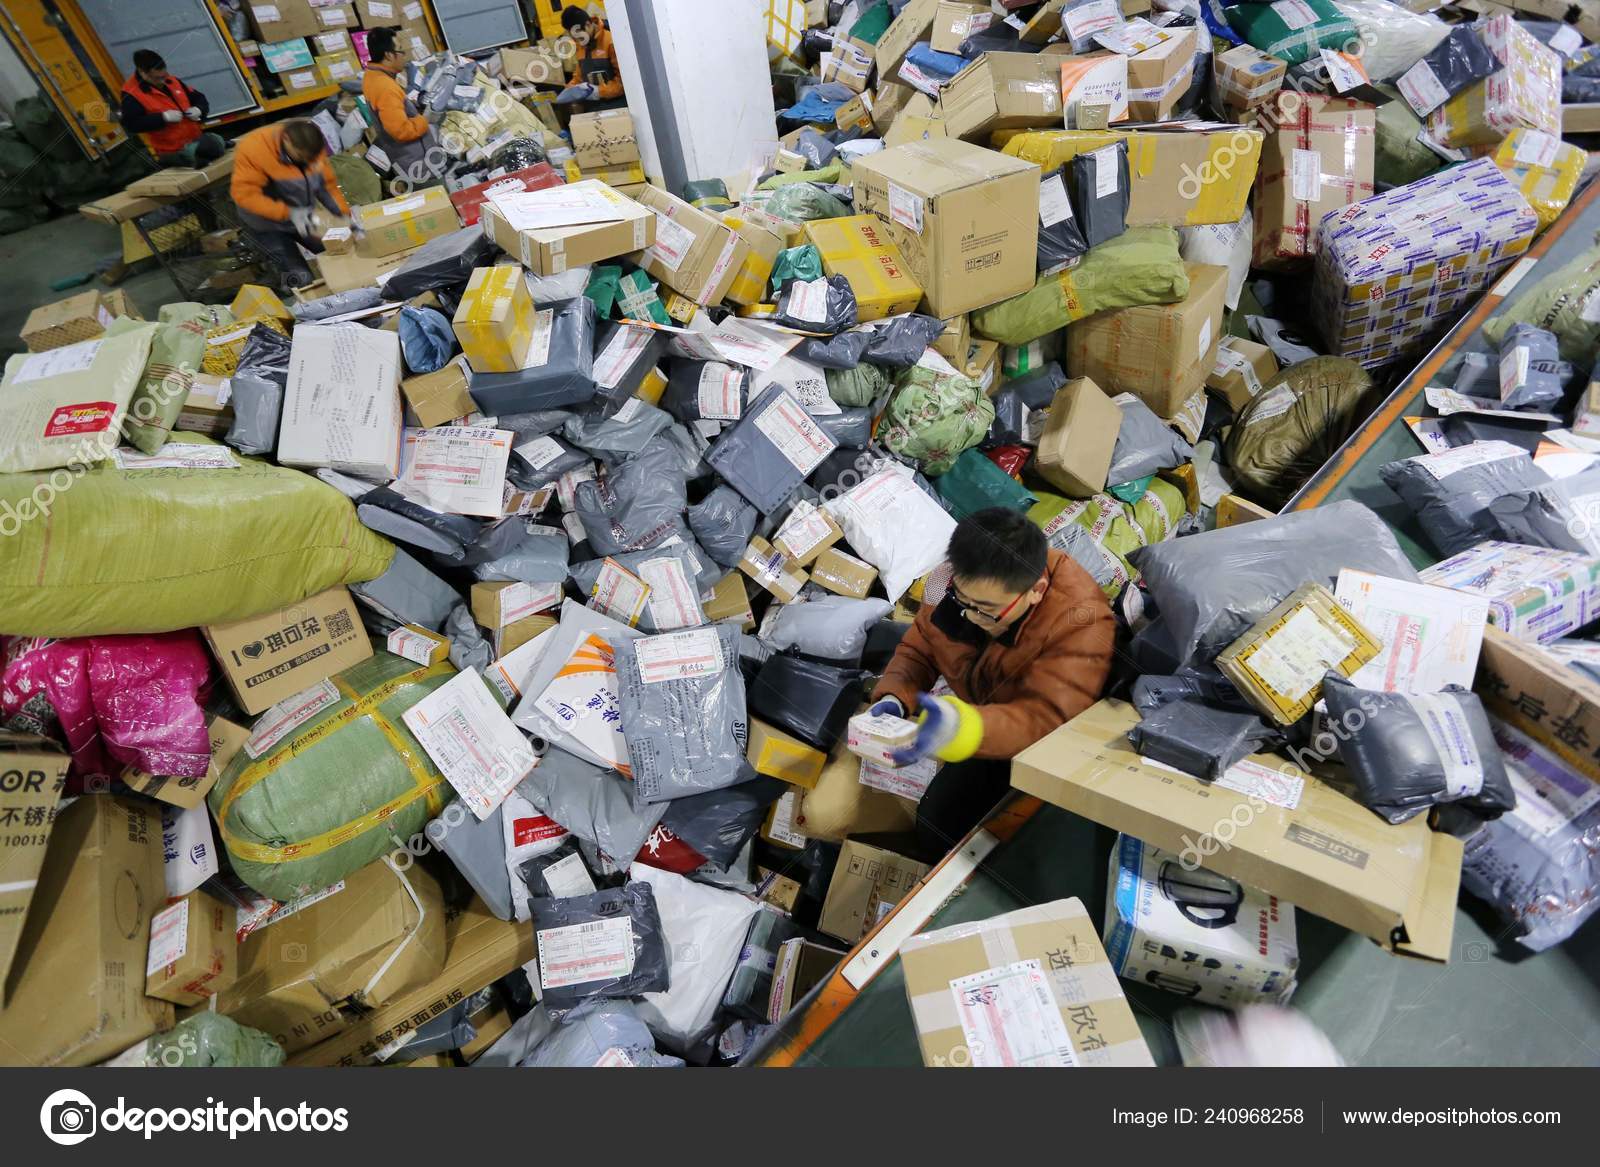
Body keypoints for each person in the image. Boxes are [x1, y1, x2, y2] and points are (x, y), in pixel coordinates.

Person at [868, 507, 1116, 857]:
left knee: (1010, 851)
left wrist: (964, 729)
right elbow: (923, 645)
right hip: (982, 723)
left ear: (1036, 590)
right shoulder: (953, 587)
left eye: (985, 610)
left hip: (1046, 752)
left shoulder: (1082, 623)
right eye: (963, 601)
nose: (970, 616)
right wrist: (895, 695)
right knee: (937, 823)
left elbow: (1047, 719)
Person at [229, 119, 351, 289]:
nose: (307, 161)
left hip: (304, 216)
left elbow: (327, 186)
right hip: (265, 224)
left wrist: (343, 215)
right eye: (301, 157)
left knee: (341, 252)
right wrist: (290, 213)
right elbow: (245, 196)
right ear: (286, 140)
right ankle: (299, 304)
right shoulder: (254, 149)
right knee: (299, 279)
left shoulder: (311, 147)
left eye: (311, 158)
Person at [360, 26, 443, 187]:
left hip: (407, 161)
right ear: (389, 55)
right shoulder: (385, 87)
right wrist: (425, 119)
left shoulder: (372, 76)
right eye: (400, 51)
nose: (404, 56)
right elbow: (401, 131)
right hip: (419, 165)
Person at [120, 49, 226, 168]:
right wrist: (163, 117)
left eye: (164, 75)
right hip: (171, 151)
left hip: (195, 141)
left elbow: (199, 98)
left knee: (217, 146)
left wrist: (199, 109)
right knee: (200, 162)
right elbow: (132, 124)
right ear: (142, 72)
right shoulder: (131, 94)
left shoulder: (172, 81)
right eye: (157, 78)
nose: (163, 81)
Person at [558, 6, 625, 107]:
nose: (579, 42)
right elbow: (579, 76)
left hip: (617, 105)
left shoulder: (611, 41)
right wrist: (571, 88)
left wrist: (599, 91)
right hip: (593, 108)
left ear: (588, 25)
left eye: (580, 37)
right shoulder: (581, 44)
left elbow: (624, 82)